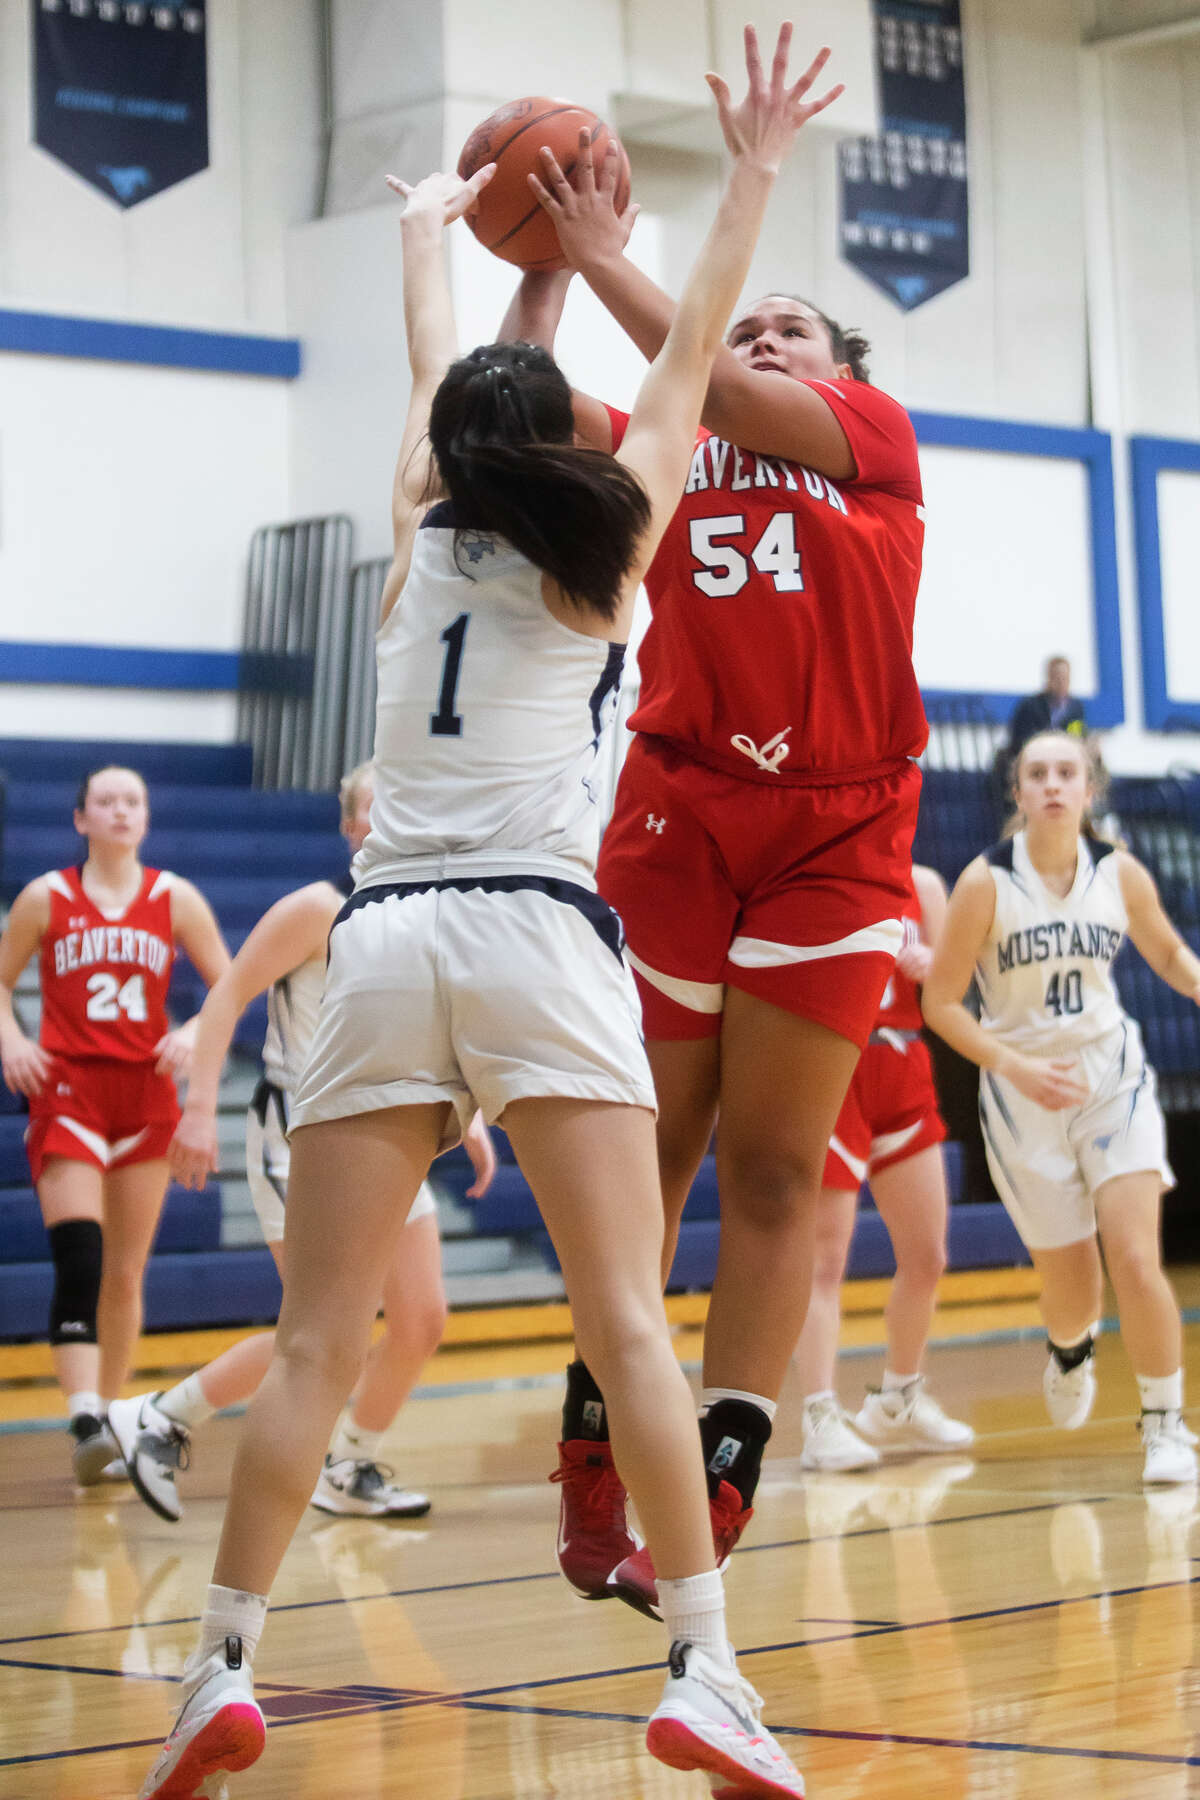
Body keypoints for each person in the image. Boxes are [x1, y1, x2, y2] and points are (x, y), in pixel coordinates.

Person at [138, 29, 832, 1800]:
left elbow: (448, 377)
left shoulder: (412, 542)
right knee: (623, 1328)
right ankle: (704, 1670)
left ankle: (217, 1665)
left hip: (381, 945)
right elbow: (682, 351)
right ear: (574, 451)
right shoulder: (611, 548)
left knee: (313, 1343)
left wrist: (447, 235)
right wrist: (742, 171)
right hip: (534, 931)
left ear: (446, 460)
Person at [506, 50, 926, 1618]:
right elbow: (518, 419)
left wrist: (618, 248)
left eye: (789, 327)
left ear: (840, 371)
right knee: (650, 1159)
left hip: (838, 831)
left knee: (771, 1171)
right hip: (679, 811)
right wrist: (537, 281)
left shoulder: (868, 438)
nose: (760, 336)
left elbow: (724, 378)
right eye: (746, 321)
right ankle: (599, 1441)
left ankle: (732, 1457)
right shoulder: (666, 446)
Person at [107, 762, 495, 1525]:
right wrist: (195, 1112)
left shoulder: (429, 916)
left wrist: (472, 1122)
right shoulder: (318, 907)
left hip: (391, 1131)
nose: (395, 817)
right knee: (322, 1332)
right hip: (303, 1131)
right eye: (377, 808)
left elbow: (424, 1036)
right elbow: (225, 999)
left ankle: (347, 1461)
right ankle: (162, 1415)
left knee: (421, 1319)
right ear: (351, 826)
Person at [921, 730, 1199, 1487]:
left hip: (1112, 1075)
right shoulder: (985, 883)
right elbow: (940, 1003)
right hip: (1021, 1093)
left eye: (1065, 772)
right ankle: (1070, 1349)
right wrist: (1013, 1065)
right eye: (1037, 773)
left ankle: (1166, 1426)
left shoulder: (1121, 873)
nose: (1051, 784)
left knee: (1136, 1255)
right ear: (1018, 791)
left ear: (1089, 788)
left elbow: (1169, 955)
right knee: (1072, 1289)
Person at [0, 765, 230, 1483]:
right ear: (81, 819)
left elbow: (231, 986)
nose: (122, 811)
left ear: (146, 818)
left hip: (147, 1097)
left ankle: (111, 1415)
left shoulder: (175, 897)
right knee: (81, 1258)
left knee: (125, 1275)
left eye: (133, 801)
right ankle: (83, 1413)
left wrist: (193, 1031)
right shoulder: (46, 896)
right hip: (68, 1090)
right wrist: (11, 1039)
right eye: (107, 801)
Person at [792, 864, 974, 1471]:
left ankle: (900, 1394)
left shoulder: (924, 884)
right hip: (832, 1062)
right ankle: (819, 1414)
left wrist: (936, 966)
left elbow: (954, 982)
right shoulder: (817, 870)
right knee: (825, 1259)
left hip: (903, 1063)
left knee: (928, 1254)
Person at [1008, 656, 1085, 759]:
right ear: (1049, 678)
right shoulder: (1030, 706)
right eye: (1057, 678)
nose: (1061, 683)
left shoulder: (1075, 708)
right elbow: (1020, 740)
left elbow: (1077, 735)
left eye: (1065, 678)